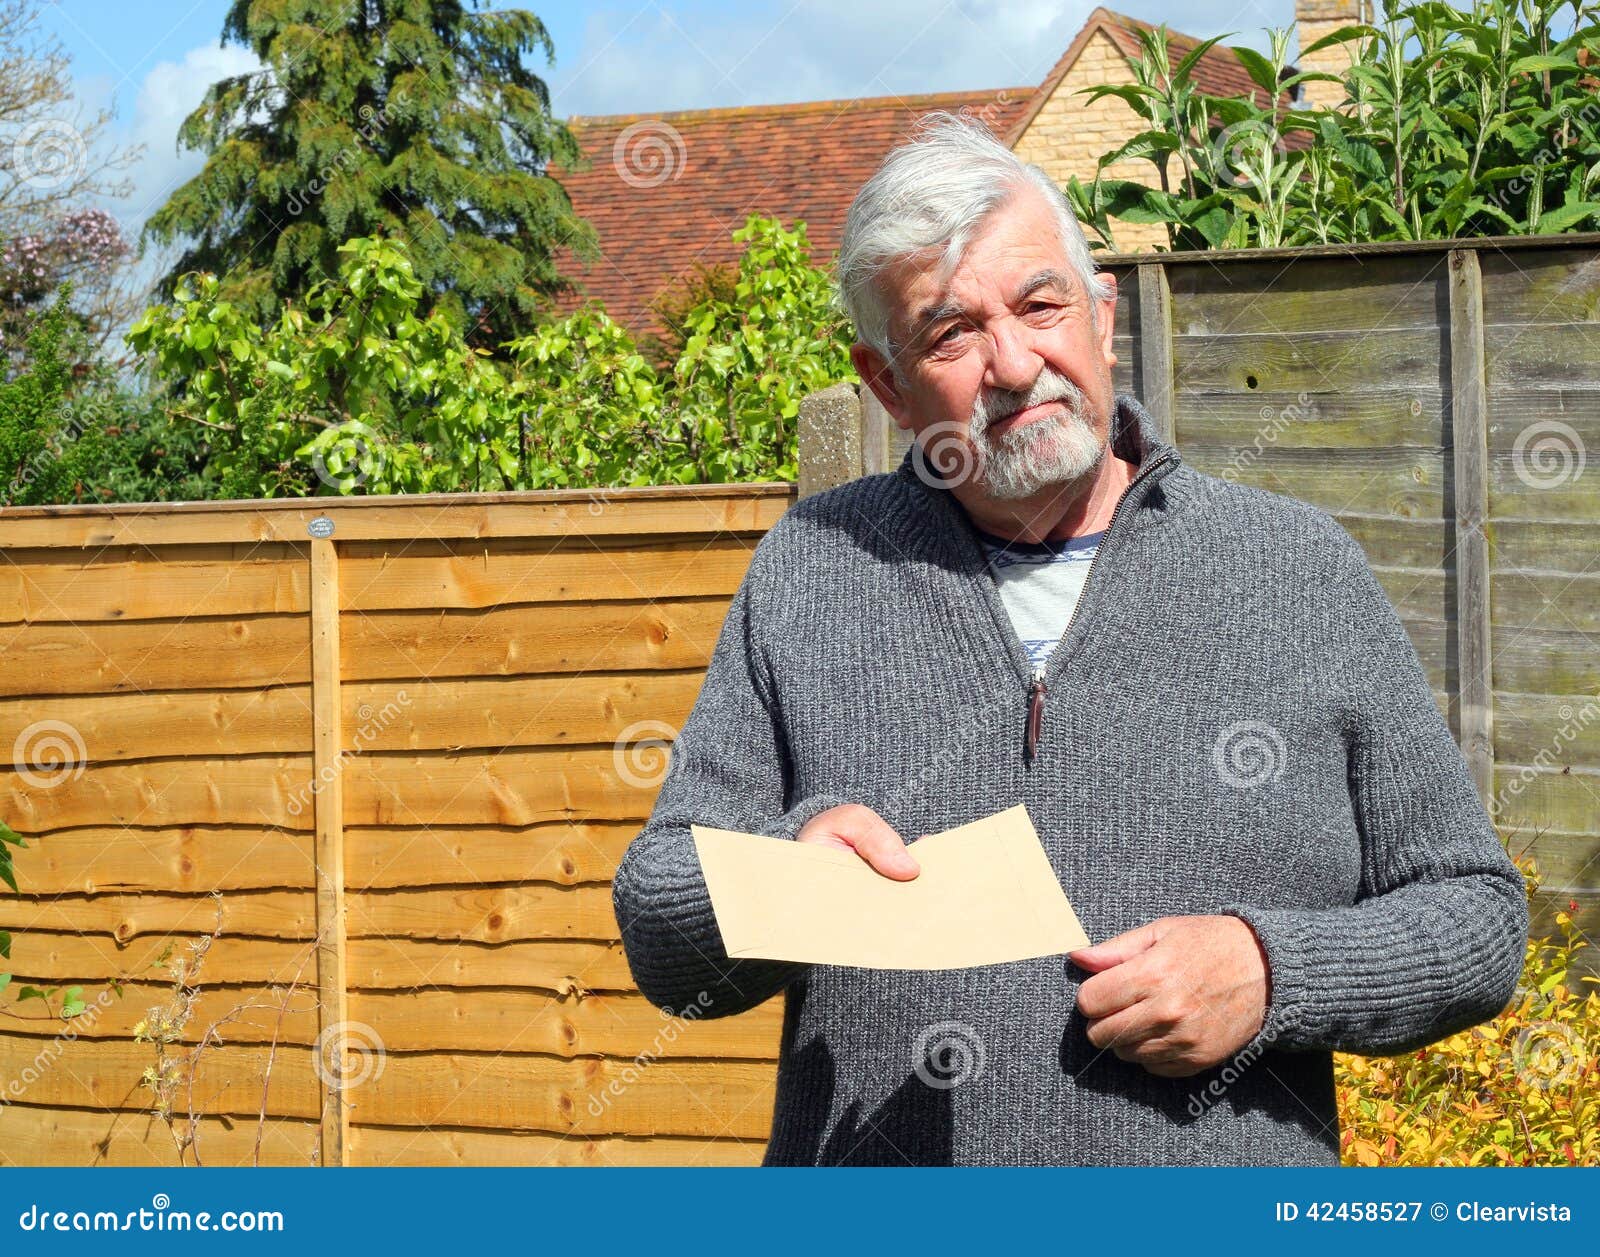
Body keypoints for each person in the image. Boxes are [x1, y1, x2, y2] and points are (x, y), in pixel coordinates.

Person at [611, 115, 1528, 1166]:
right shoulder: (813, 568)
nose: (1012, 363)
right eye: (949, 333)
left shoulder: (1296, 569)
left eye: (1040, 305)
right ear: (887, 385)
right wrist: (782, 877)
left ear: (1100, 316)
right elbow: (660, 930)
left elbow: (1476, 917)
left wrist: (1272, 972)